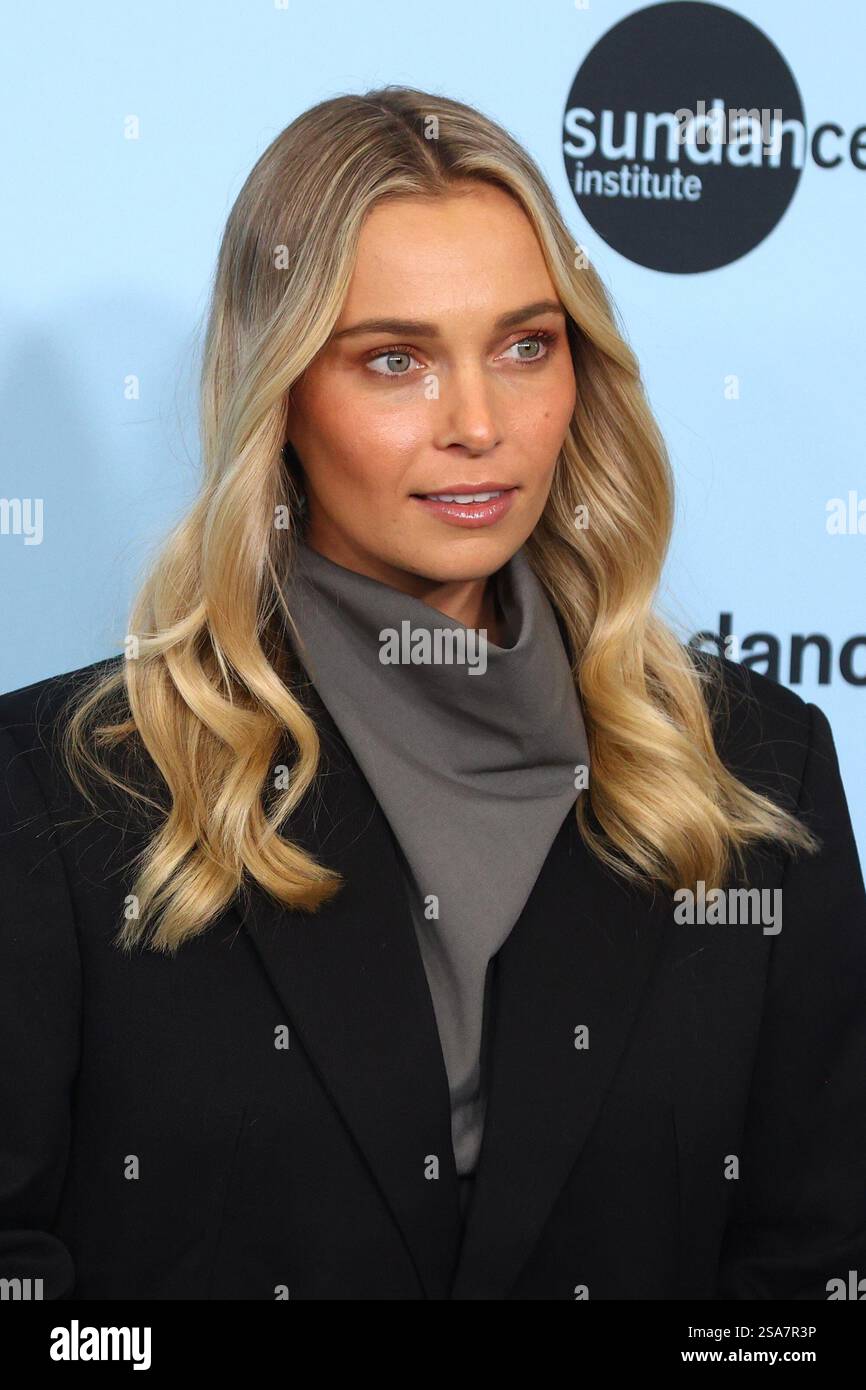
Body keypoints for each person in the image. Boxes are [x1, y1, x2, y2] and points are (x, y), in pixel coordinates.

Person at [1, 85, 865, 1302]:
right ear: (280, 394)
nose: (479, 424)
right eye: (395, 360)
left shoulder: (753, 767)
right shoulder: (56, 786)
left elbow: (811, 1270)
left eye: (526, 345)